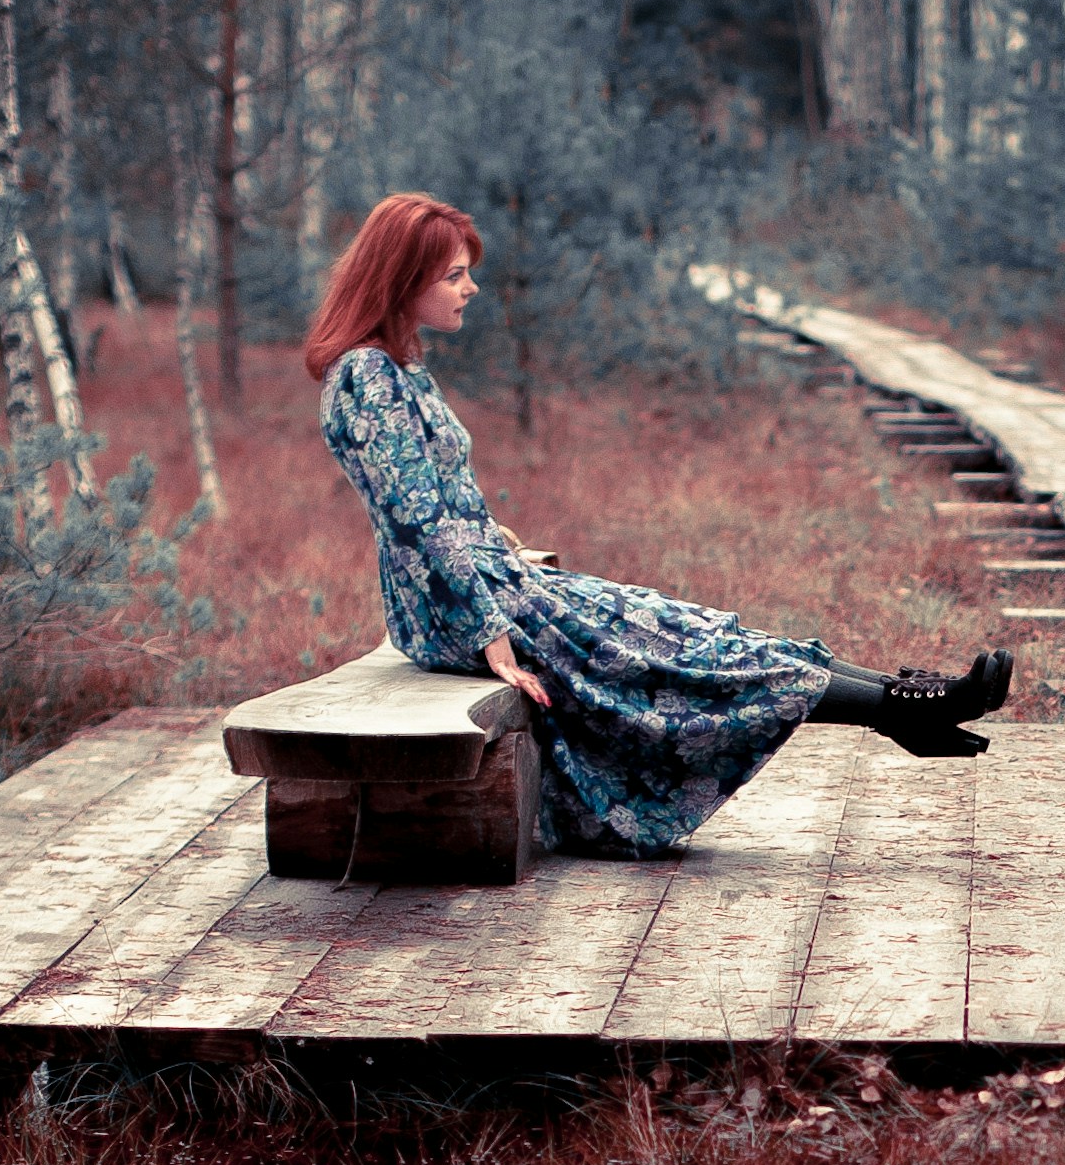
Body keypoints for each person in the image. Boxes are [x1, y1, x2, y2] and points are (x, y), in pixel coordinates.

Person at [307, 192, 1013, 857]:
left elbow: (442, 497)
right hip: (461, 611)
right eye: (455, 275)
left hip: (491, 582)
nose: (471, 289)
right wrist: (491, 636)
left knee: (703, 634)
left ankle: (904, 703)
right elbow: (418, 521)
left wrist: (502, 540)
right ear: (404, 280)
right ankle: (903, 708)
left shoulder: (402, 368)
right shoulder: (367, 376)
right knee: (678, 661)